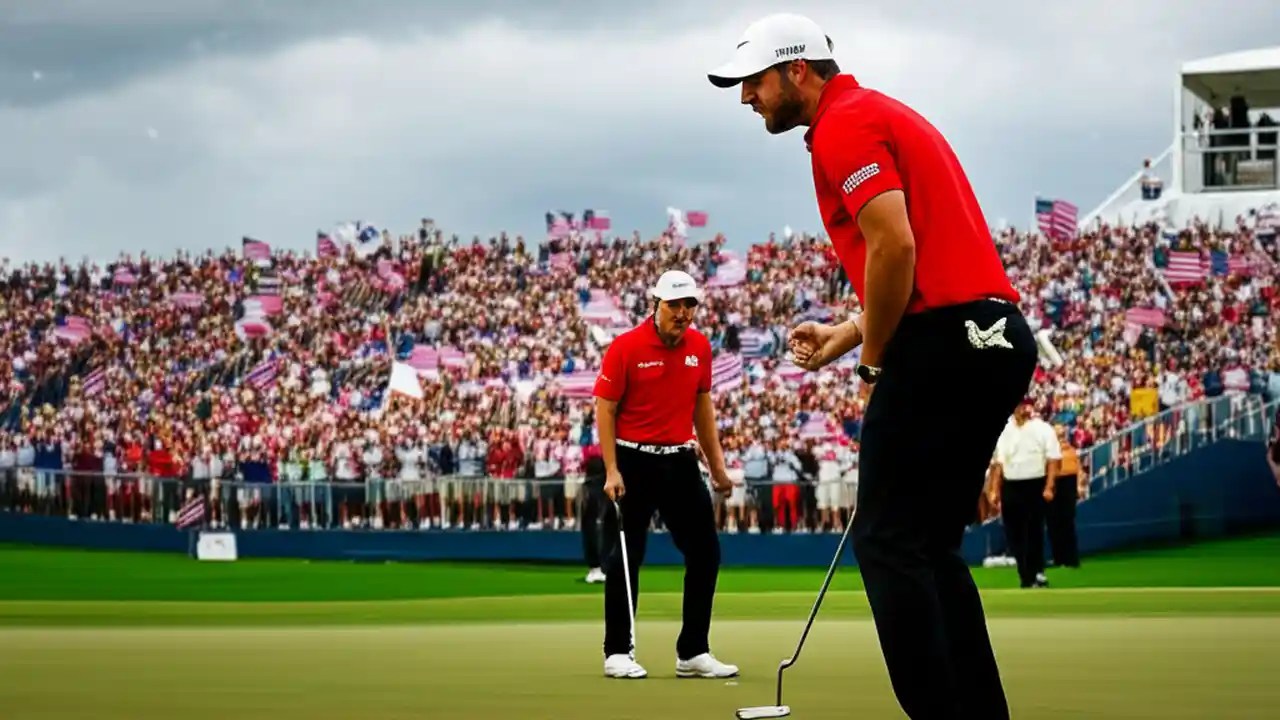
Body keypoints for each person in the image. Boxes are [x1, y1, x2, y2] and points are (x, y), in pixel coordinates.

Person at [708, 13, 1038, 718]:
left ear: (797, 70)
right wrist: (852, 331)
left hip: (944, 345)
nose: (746, 98)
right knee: (929, 546)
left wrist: (873, 362)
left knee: (887, 541)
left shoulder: (843, 124)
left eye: (754, 81)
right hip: (993, 336)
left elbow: (895, 246)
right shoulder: (875, 112)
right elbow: (928, 262)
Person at [592, 269, 737, 680]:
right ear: (656, 304)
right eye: (674, 305)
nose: (682, 313)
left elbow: (702, 408)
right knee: (626, 556)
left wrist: (718, 468)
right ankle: (618, 651)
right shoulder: (627, 346)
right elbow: (605, 407)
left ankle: (693, 650)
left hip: (679, 460)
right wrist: (611, 469)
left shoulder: (699, 347)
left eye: (689, 305)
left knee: (706, 552)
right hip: (632, 460)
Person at [989, 400, 1061, 587]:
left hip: (1035, 483)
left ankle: (1037, 571)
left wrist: (1049, 486)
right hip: (1011, 484)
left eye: (1024, 405)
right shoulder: (1005, 431)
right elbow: (999, 463)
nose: (1022, 409)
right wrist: (994, 490)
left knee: (1034, 530)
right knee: (1014, 532)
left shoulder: (1042, 429)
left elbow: (1052, 459)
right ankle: (1025, 573)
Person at [1045, 424, 1084, 568]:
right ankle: (1066, 558)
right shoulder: (1069, 452)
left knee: (1060, 523)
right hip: (1061, 486)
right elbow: (1079, 471)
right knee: (1061, 524)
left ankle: (1065, 558)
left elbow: (1077, 471)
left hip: (1062, 484)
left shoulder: (1066, 452)